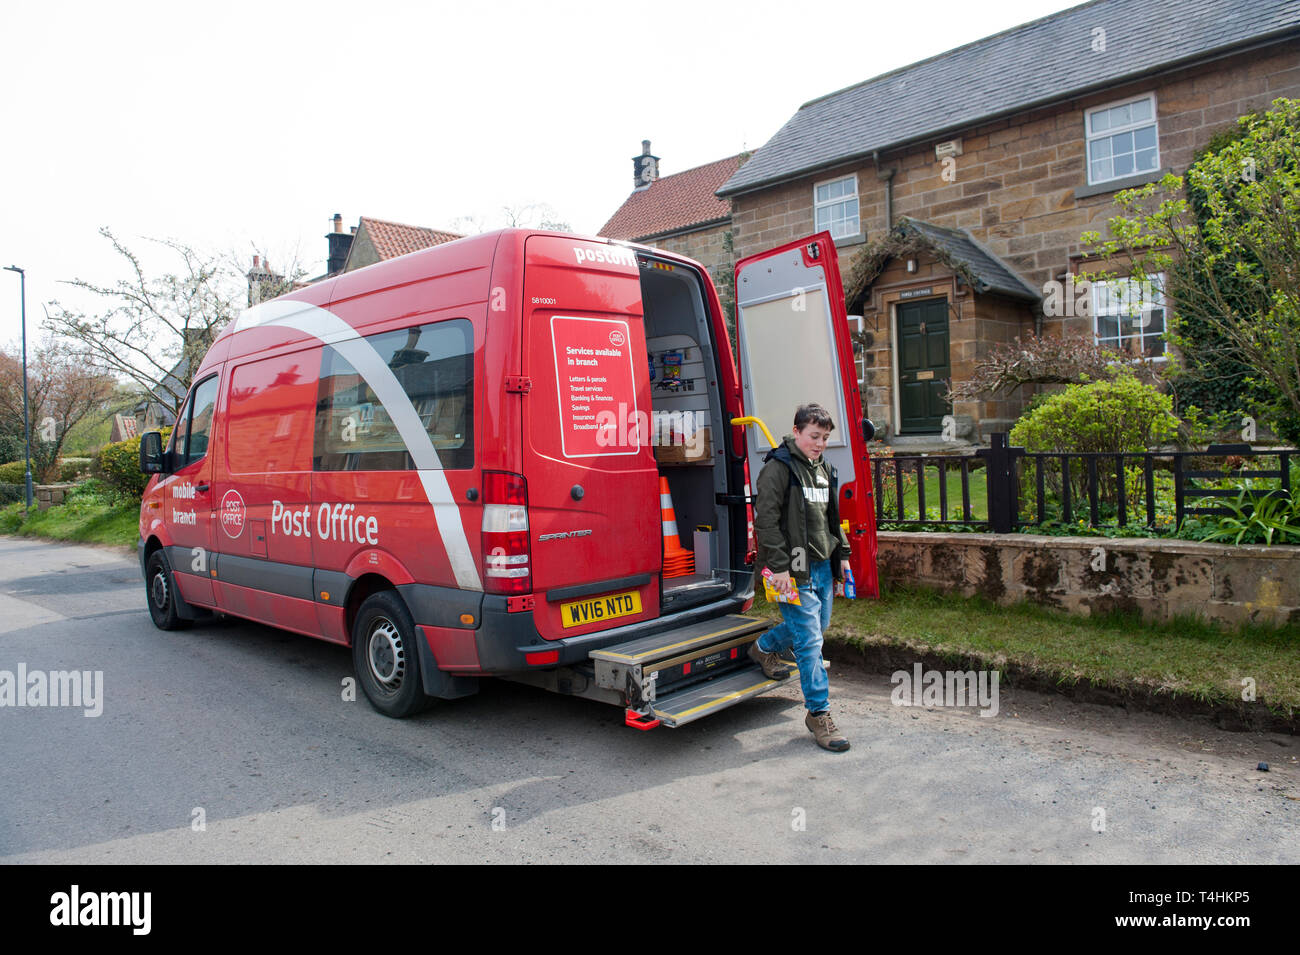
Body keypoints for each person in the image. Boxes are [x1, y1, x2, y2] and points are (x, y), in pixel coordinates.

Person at [749, 403, 852, 752]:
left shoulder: (823, 468)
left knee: (816, 629)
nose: (820, 443)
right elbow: (765, 522)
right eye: (813, 436)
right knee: (810, 642)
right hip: (791, 566)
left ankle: (763, 648)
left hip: (822, 565)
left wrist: (844, 558)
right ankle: (818, 714)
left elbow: (831, 519)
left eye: (824, 437)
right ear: (796, 432)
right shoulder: (778, 470)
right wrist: (778, 568)